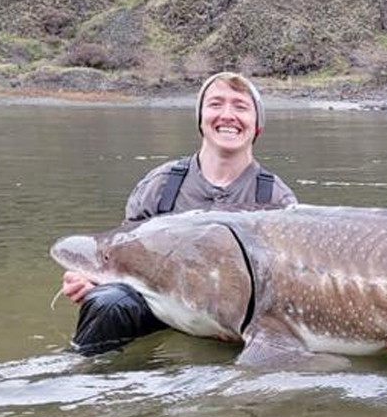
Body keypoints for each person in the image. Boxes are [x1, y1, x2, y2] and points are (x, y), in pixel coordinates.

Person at [61, 71, 298, 355]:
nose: (227, 115)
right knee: (107, 303)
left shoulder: (276, 198)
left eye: (240, 106)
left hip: (238, 318)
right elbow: (124, 249)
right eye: (215, 104)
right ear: (200, 119)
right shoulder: (161, 184)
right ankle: (94, 381)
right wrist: (94, 279)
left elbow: (288, 286)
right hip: (162, 307)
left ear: (257, 124)